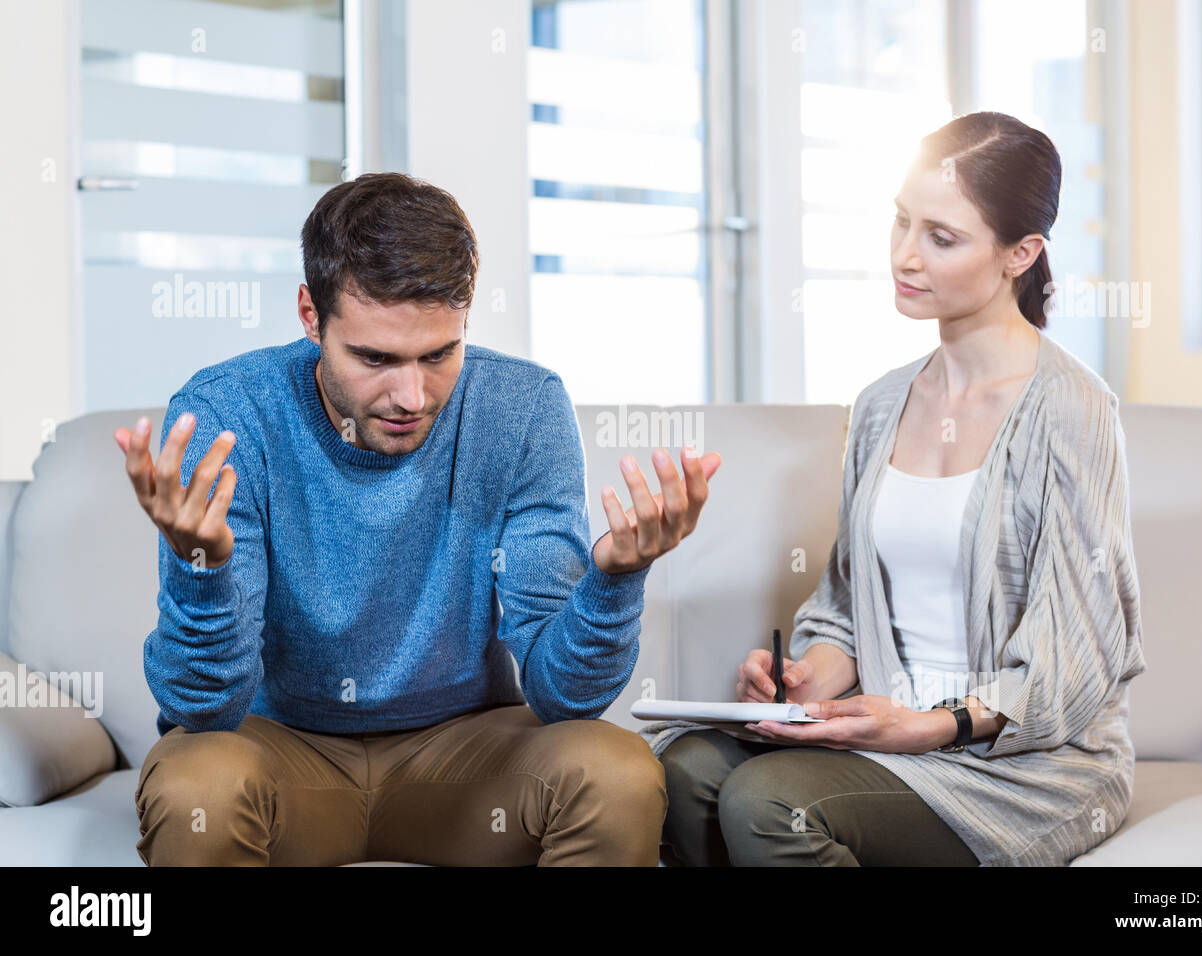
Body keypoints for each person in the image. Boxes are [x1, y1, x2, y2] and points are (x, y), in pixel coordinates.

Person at [119, 172, 721, 866]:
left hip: (462, 762)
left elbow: (563, 697)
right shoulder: (229, 414)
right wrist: (205, 571)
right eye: (375, 358)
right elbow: (206, 711)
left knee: (614, 771)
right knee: (197, 786)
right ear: (310, 316)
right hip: (281, 752)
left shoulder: (523, 408)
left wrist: (615, 578)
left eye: (439, 355)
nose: (411, 395)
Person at [654, 111, 1146, 867]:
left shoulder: (1071, 410)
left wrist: (925, 725)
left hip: (1022, 764)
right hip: (888, 732)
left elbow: (1074, 662)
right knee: (686, 770)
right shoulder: (882, 405)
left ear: (1021, 253)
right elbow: (849, 609)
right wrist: (805, 678)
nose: (905, 256)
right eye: (900, 222)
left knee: (766, 804)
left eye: (941, 238)